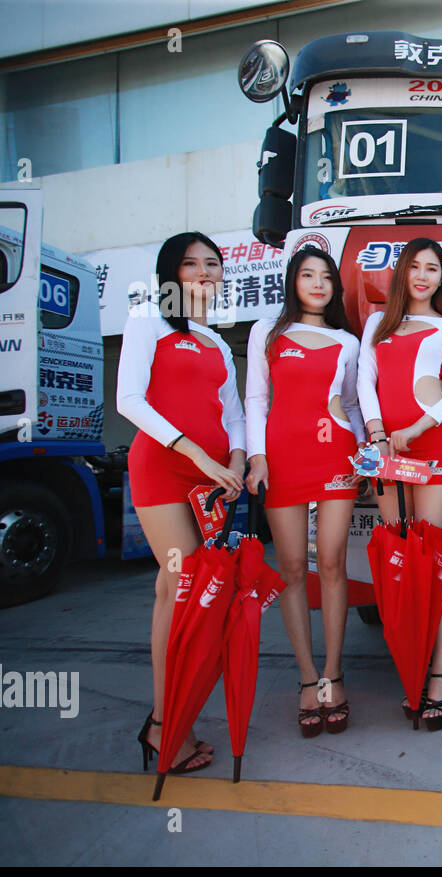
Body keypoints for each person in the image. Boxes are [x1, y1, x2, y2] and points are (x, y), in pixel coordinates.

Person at [118, 231, 245, 776]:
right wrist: (195, 453)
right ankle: (165, 724)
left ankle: (174, 717)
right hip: (167, 469)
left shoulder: (217, 342)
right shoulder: (148, 318)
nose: (203, 272)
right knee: (179, 585)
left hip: (216, 481)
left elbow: (234, 413)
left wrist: (237, 463)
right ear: (171, 273)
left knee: (204, 595)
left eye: (212, 263)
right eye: (190, 263)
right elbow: (129, 400)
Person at [245, 248, 363, 737]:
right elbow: (256, 397)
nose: (318, 284)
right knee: (292, 568)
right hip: (283, 460)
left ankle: (334, 673)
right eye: (308, 275)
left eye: (327, 277)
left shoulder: (348, 341)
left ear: (336, 287)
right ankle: (307, 677)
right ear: (293, 281)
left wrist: (364, 455)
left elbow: (353, 404)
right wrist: (257, 455)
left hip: (336, 457)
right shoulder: (266, 333)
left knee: (332, 563)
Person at [357, 238, 442, 730]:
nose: (423, 276)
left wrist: (418, 429)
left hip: (435, 447)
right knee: (400, 564)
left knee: (435, 564)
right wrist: (381, 436)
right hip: (387, 452)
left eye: (433, 268)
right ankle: (413, 669)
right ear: (401, 273)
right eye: (416, 267)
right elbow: (365, 382)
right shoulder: (376, 324)